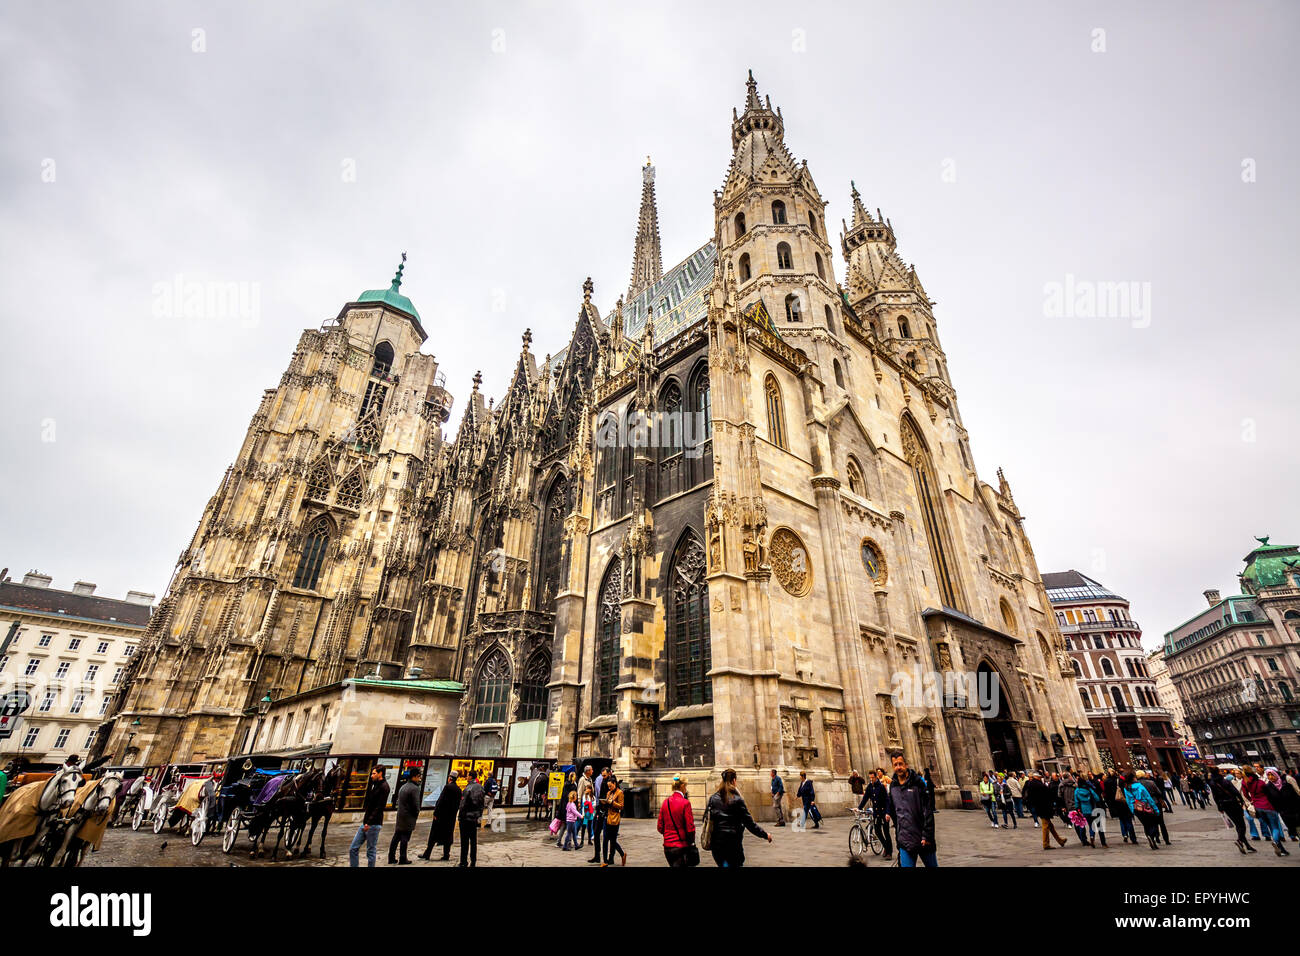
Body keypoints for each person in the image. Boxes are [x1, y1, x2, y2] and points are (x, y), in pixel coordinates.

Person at [705, 767, 770, 867]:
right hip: (733, 845)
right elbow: (749, 823)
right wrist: (765, 835)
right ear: (734, 780)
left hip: (717, 845)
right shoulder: (737, 800)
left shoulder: (713, 798)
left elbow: (706, 819)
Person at [885, 754, 935, 867]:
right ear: (892, 767)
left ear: (906, 765)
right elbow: (895, 813)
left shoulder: (918, 783)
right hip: (905, 840)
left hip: (923, 838)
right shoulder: (893, 786)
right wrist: (898, 838)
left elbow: (927, 810)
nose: (898, 767)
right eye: (895, 765)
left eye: (900, 764)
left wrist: (927, 836)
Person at [349, 765, 390, 868]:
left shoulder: (384, 787)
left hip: (373, 824)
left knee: (370, 851)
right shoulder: (375, 784)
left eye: (374, 773)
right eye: (371, 773)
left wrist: (369, 822)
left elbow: (379, 807)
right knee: (353, 848)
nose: (371, 775)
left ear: (380, 773)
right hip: (366, 823)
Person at [1243, 768, 1289, 856]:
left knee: (1270, 826)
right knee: (1275, 827)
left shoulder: (1245, 783)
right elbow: (1269, 794)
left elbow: (1245, 794)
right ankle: (1277, 843)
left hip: (1258, 807)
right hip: (1268, 806)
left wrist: (1252, 800)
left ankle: (1281, 848)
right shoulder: (1261, 782)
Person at [1209, 766, 1254, 855]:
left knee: (1237, 824)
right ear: (1218, 772)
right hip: (1233, 803)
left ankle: (1247, 845)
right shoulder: (1225, 781)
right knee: (1241, 825)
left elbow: (1215, 796)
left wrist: (1220, 808)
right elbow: (1235, 792)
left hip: (1224, 805)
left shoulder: (1212, 783)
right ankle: (1240, 840)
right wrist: (1241, 801)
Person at [420, 771, 461, 860]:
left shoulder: (447, 787)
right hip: (451, 816)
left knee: (434, 835)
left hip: (442, 816)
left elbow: (440, 801)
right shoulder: (458, 789)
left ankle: (427, 853)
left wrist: (436, 813)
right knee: (448, 835)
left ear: (450, 778)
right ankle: (446, 854)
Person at [657, 774, 696, 866]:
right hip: (681, 846)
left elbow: (660, 827)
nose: (686, 789)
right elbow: (690, 828)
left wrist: (668, 835)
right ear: (682, 786)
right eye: (686, 786)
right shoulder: (685, 803)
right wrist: (691, 842)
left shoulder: (665, 802)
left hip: (667, 847)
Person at [1024, 771, 1067, 850]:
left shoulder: (1032, 784)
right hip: (1043, 807)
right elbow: (1046, 794)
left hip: (1039, 807)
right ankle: (1046, 844)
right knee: (1046, 825)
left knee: (1050, 825)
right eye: (1040, 776)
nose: (1041, 777)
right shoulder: (1038, 784)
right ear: (1037, 777)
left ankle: (1060, 840)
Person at [388, 768, 421, 864]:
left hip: (401, 815)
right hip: (408, 817)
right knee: (405, 838)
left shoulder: (403, 787)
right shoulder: (415, 788)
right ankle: (403, 858)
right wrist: (416, 814)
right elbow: (416, 805)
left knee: (396, 837)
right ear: (414, 776)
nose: (419, 779)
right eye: (418, 777)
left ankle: (391, 857)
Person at [1123, 770, 1162, 850]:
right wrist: (1155, 808)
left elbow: (1128, 801)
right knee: (1153, 823)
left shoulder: (1126, 788)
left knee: (1145, 824)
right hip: (1145, 806)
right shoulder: (1139, 786)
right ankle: (1152, 837)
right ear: (1133, 778)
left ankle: (1148, 836)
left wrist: (1133, 810)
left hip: (1137, 809)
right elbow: (1148, 797)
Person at [860, 767, 893, 858]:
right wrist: (858, 808)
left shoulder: (881, 786)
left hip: (884, 813)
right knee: (878, 832)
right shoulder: (870, 787)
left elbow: (887, 800)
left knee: (886, 832)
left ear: (876, 777)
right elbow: (865, 798)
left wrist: (888, 813)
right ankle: (886, 847)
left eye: (873, 778)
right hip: (876, 813)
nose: (871, 779)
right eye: (870, 778)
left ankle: (889, 853)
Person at [458, 770, 486, 867]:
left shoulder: (468, 788)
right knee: (473, 841)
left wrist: (460, 816)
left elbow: (463, 805)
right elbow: (482, 804)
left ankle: (463, 861)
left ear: (470, 776)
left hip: (466, 817)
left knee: (464, 841)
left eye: (467, 775)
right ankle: (473, 861)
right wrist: (479, 815)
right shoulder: (481, 787)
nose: (466, 777)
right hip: (474, 818)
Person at [599, 775, 626, 866]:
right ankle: (605, 861)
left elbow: (621, 806)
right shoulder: (609, 792)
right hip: (607, 817)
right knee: (605, 839)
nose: (609, 787)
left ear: (614, 784)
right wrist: (605, 802)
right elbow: (607, 804)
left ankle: (619, 855)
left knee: (613, 840)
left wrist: (612, 803)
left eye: (610, 786)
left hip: (614, 818)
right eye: (608, 786)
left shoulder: (620, 793)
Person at [1103, 769, 1136, 844]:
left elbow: (1107, 795)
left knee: (1122, 819)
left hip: (1116, 803)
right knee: (1128, 820)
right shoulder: (1120, 781)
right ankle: (1133, 837)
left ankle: (1124, 834)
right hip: (1124, 802)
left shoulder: (1106, 782)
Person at [588, 767, 611, 862]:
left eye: (605, 775)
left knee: (609, 836)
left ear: (609, 774)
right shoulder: (600, 780)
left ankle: (617, 855)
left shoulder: (611, 782)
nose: (603, 777)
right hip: (599, 809)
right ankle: (597, 855)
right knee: (596, 832)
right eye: (602, 775)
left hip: (607, 811)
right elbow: (599, 794)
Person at [1074, 774, 1104, 847]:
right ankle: (1100, 840)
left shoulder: (1077, 791)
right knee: (1097, 825)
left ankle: (1091, 836)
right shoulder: (1089, 789)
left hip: (1084, 810)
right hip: (1093, 808)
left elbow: (1076, 802)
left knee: (1091, 824)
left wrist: (1078, 808)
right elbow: (1097, 798)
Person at [555, 770, 576, 848]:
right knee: (569, 827)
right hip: (569, 809)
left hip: (563, 809)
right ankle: (569, 843)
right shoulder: (573, 786)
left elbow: (563, 797)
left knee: (563, 826)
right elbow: (573, 799)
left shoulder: (565, 785)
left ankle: (558, 841)